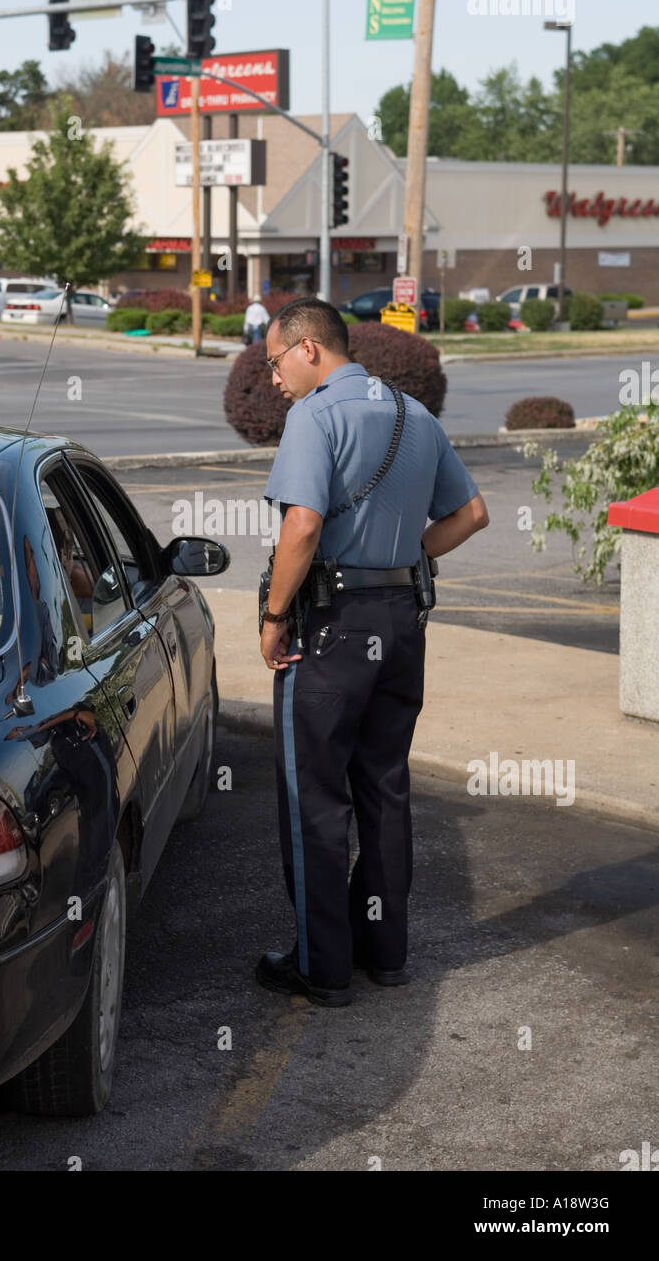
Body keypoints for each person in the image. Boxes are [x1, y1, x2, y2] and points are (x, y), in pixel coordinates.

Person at [256, 296, 489, 1007]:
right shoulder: (415, 415)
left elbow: (302, 525)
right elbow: (472, 514)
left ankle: (321, 967)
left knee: (315, 799)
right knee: (384, 788)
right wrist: (405, 558)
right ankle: (385, 951)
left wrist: (273, 617)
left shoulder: (315, 415)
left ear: (308, 350)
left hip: (330, 626)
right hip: (402, 620)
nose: (272, 380)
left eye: (274, 363)